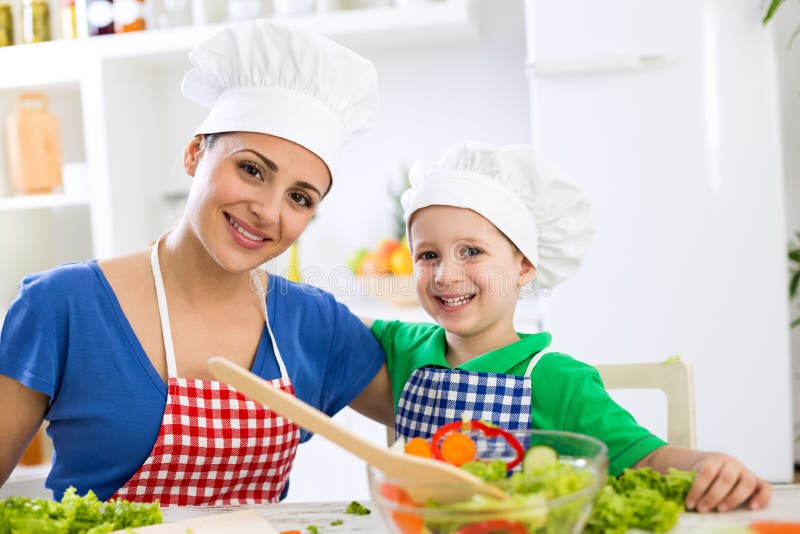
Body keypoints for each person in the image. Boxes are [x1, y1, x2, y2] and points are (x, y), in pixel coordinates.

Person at [0, 20, 393, 505]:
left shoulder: (316, 323)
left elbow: (436, 413)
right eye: (251, 170)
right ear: (193, 154)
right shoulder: (61, 307)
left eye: (299, 197)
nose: (268, 212)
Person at [366, 142, 772, 513]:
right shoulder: (402, 345)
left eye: (471, 251)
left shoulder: (561, 382)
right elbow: (317, 325)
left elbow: (646, 458)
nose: (444, 275)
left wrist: (708, 464)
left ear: (524, 266)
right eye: (428, 254)